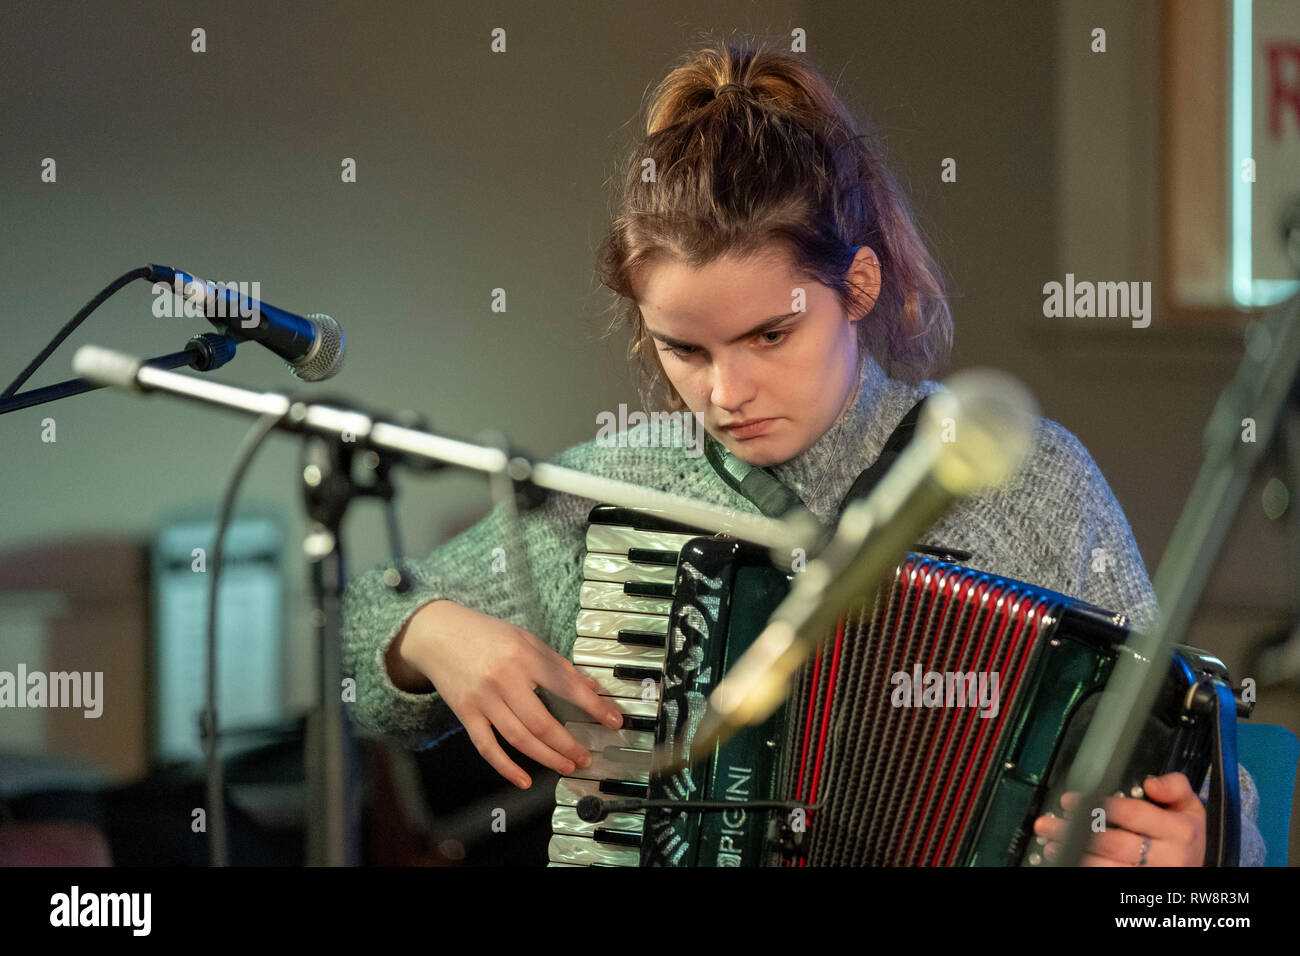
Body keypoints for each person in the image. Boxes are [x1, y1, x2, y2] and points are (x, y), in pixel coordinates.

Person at [341, 42, 1264, 866]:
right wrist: (426, 637)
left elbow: (1208, 787)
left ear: (857, 285)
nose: (723, 393)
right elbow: (356, 663)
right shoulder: (618, 489)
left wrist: (1199, 853)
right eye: (685, 350)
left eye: (768, 338)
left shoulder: (1021, 477)